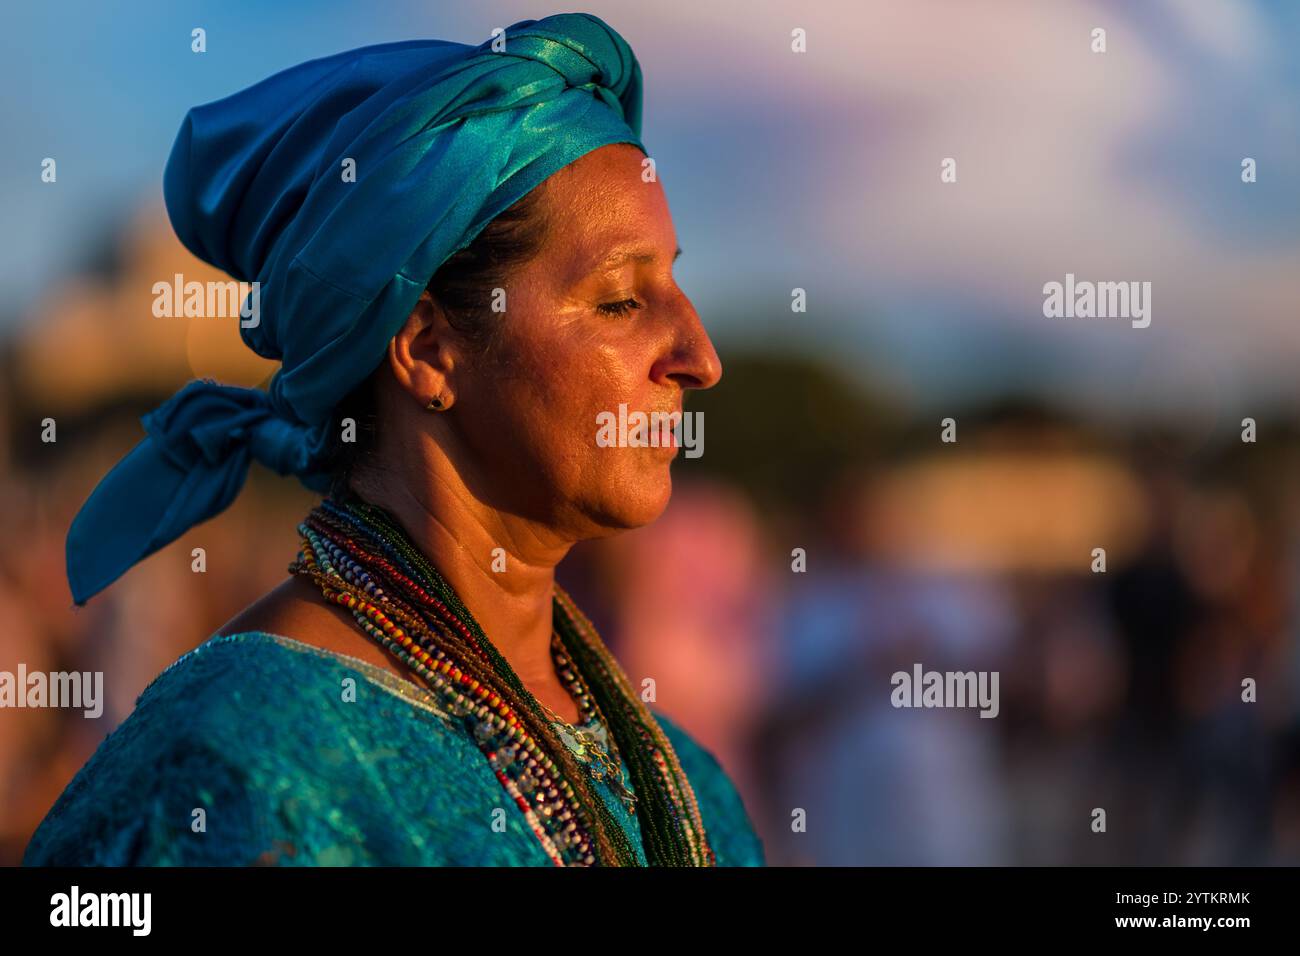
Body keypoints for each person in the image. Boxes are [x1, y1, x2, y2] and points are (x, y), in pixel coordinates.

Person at [23, 13, 764, 867]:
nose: (700, 358)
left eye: (676, 284)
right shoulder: (241, 767)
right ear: (427, 348)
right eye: (620, 301)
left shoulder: (687, 786)